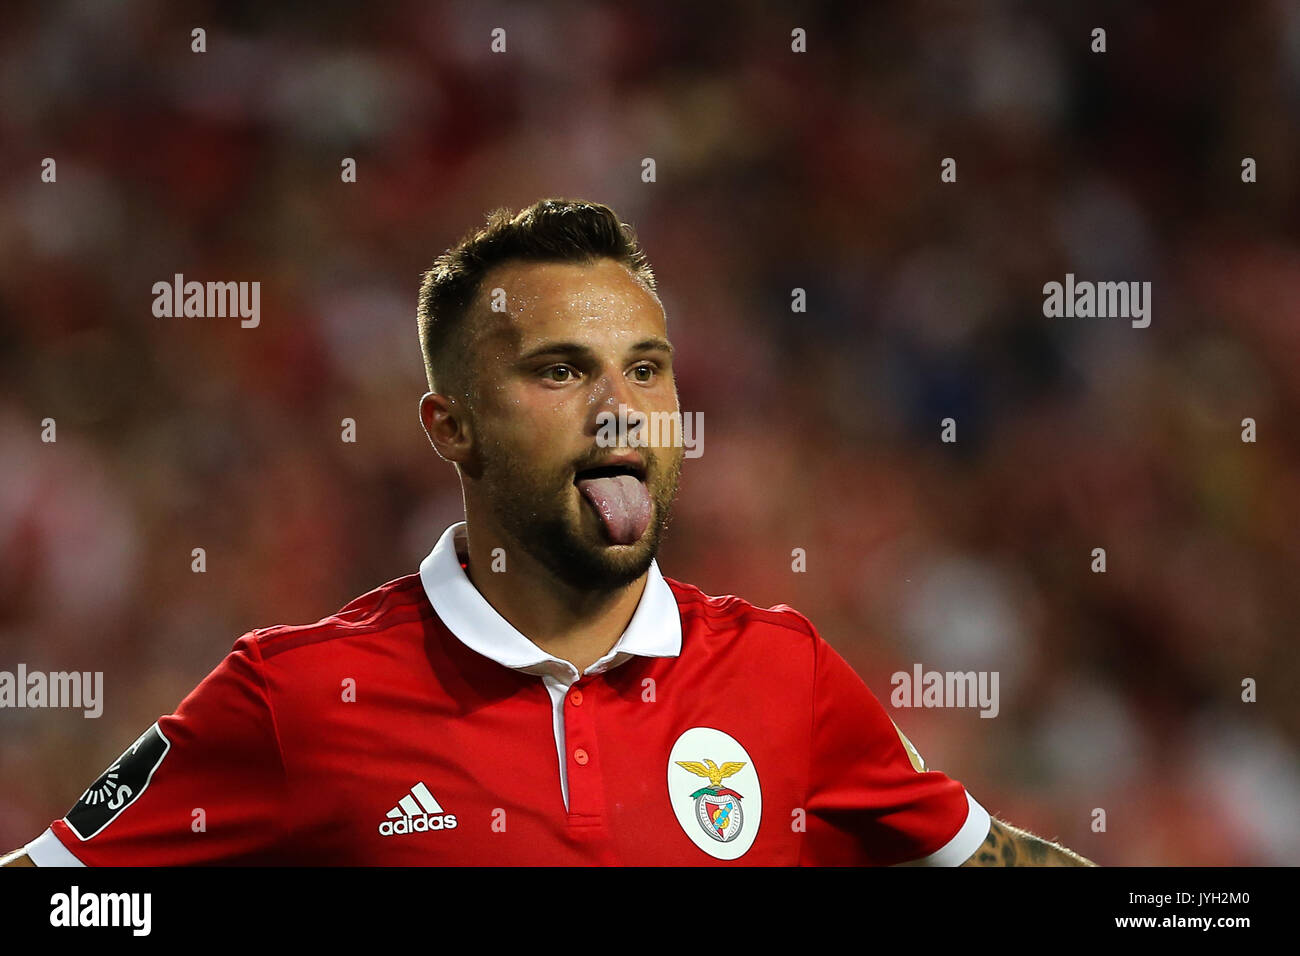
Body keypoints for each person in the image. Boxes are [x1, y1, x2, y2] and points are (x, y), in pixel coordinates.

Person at [3, 198, 1094, 866]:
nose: (619, 408)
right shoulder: (295, 698)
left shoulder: (786, 677)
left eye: (647, 371)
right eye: (561, 369)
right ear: (454, 426)